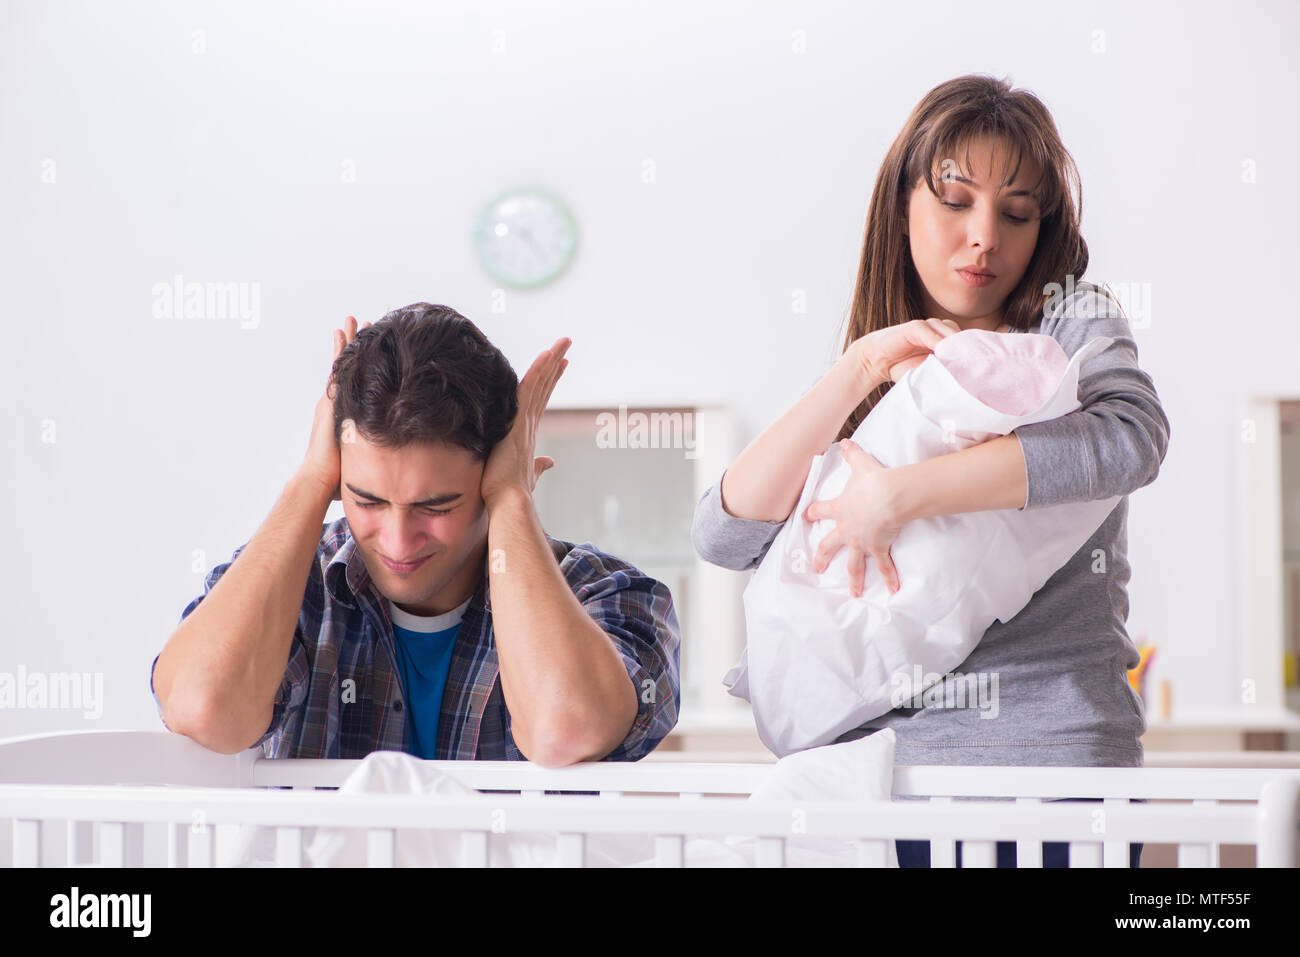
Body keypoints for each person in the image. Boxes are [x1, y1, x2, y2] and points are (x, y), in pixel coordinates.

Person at [691, 74, 1170, 867]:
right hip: (871, 782)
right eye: (956, 200)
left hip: (1041, 766)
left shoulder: (1070, 319)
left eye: (1016, 212)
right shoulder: (883, 371)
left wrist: (898, 497)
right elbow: (722, 533)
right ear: (902, 203)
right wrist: (856, 369)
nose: (985, 235)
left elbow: (1131, 436)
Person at [150, 303, 681, 766]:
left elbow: (562, 731)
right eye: (367, 500)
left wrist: (511, 499)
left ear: (495, 468)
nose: (399, 542)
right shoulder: (299, 584)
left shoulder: (603, 593)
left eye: (436, 506)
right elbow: (202, 708)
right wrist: (310, 482)